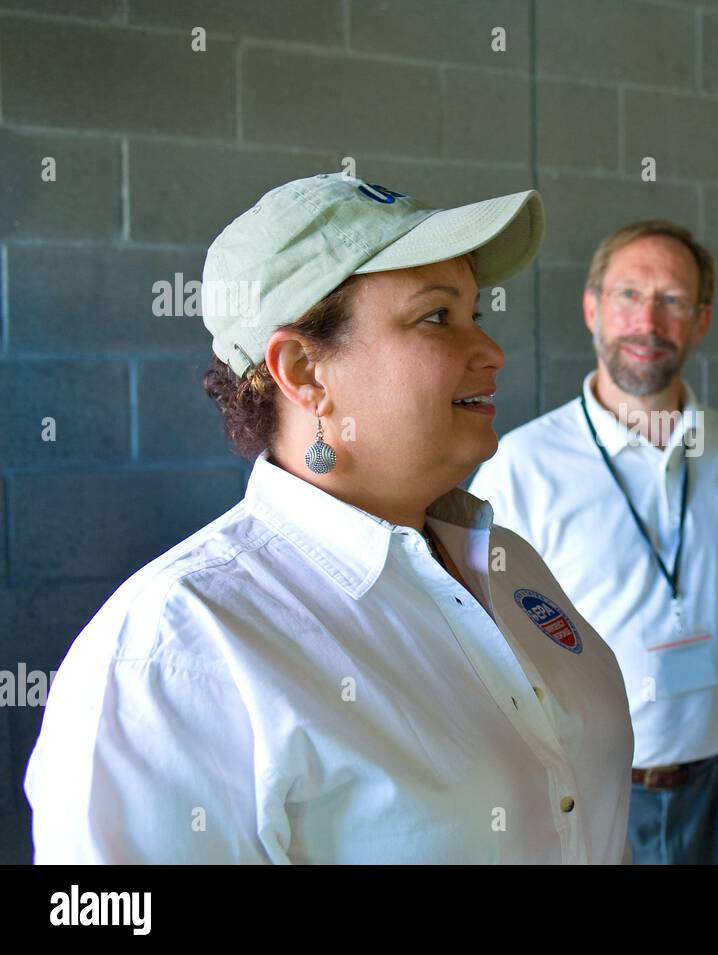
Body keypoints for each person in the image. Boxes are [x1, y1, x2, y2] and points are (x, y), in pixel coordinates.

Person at [24, 173, 634, 863]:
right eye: (438, 316)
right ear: (304, 370)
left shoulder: (508, 561)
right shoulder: (173, 655)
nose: (491, 350)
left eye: (477, 313)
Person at [468, 220, 718, 864]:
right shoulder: (520, 468)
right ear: (592, 309)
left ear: (701, 321)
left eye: (673, 300)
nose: (649, 320)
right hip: (594, 798)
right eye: (629, 295)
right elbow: (483, 652)